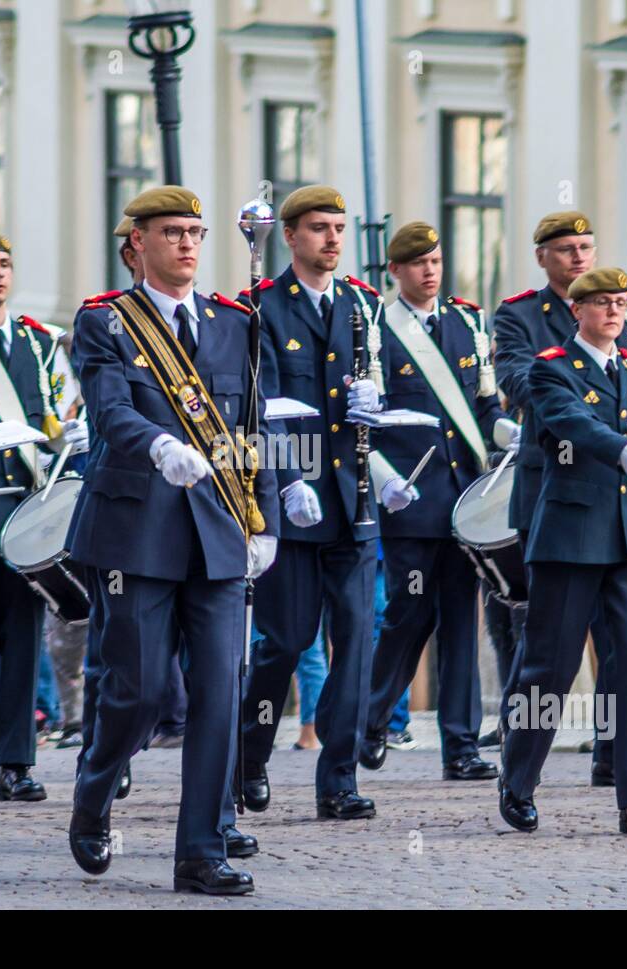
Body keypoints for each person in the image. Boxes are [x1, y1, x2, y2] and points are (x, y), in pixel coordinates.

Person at [66, 186, 279, 894]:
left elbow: (256, 426)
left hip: (218, 525)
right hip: (136, 530)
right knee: (142, 689)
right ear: (137, 245)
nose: (188, 243)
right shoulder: (105, 322)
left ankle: (200, 850)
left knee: (221, 690)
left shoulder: (234, 321)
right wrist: (157, 444)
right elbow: (108, 409)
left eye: (195, 231)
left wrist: (267, 516)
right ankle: (94, 793)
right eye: (172, 232)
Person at [499, 266, 627, 836]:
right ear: (578, 311)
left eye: (621, 303)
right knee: (550, 667)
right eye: (601, 304)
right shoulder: (552, 370)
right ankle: (518, 778)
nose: (613, 313)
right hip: (571, 538)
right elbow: (570, 423)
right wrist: (625, 447)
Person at [242, 184, 386, 821]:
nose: (332, 239)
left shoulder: (359, 303)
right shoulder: (260, 308)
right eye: (320, 228)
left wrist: (372, 401)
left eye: (339, 227)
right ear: (292, 236)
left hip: (353, 501)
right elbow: (257, 405)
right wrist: (286, 480)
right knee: (286, 641)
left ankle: (339, 777)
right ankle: (249, 756)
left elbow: (371, 374)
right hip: (295, 504)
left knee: (357, 640)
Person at [358, 222, 516, 781]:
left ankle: (461, 746)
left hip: (464, 498)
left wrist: (507, 435)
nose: (430, 271)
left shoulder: (468, 322)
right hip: (411, 499)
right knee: (408, 613)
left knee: (459, 621)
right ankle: (371, 719)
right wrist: (383, 481)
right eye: (418, 263)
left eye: (437, 261)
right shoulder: (377, 327)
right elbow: (366, 423)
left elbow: (486, 408)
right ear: (396, 271)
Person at [0, 229, 89, 802]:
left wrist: (66, 434)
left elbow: (53, 414)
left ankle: (15, 763)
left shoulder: (36, 340)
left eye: (5, 264)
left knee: (23, 640)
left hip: (30, 507)